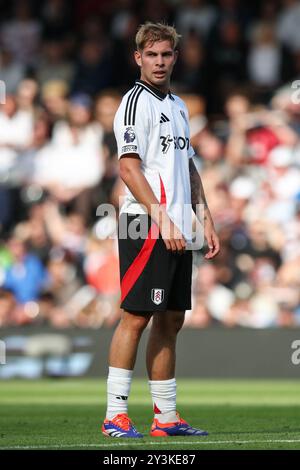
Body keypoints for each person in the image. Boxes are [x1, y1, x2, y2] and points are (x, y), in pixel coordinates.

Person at [102, 22, 220, 439]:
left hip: (178, 224)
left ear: (175, 57)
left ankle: (165, 418)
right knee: (136, 316)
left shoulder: (180, 106)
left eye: (166, 54)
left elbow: (187, 166)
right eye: (151, 55)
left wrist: (203, 214)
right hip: (145, 222)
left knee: (171, 319)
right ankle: (115, 414)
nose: (159, 61)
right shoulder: (135, 103)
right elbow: (128, 167)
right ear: (138, 58)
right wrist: (163, 218)